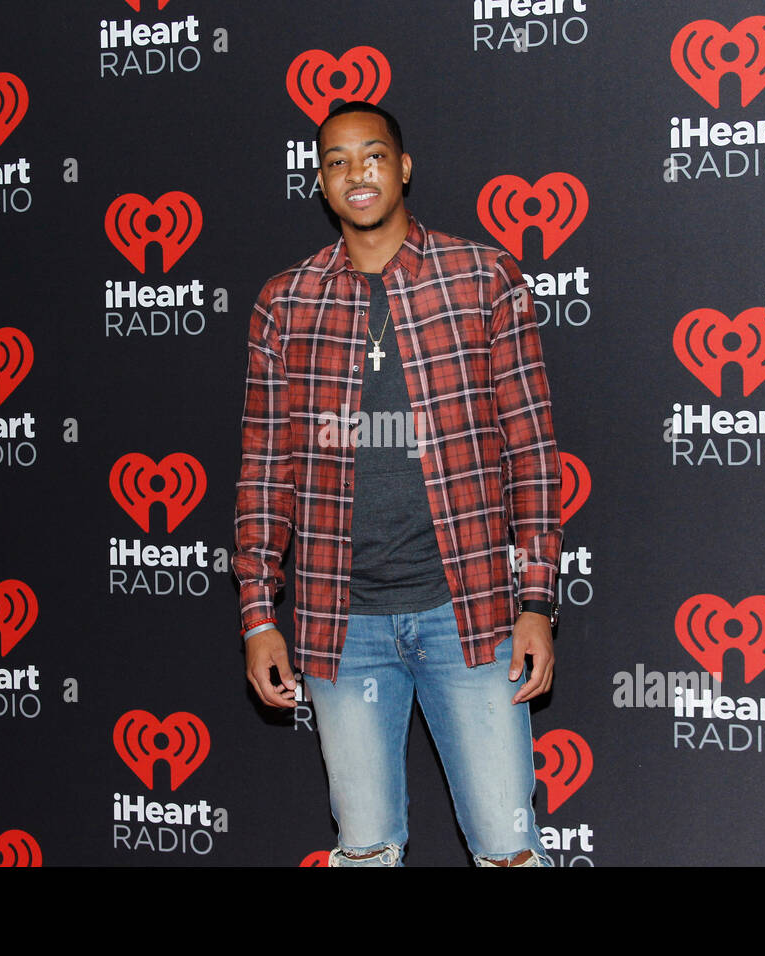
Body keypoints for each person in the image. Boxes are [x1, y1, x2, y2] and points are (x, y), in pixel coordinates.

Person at [233, 101, 562, 866]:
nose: (357, 173)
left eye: (372, 155)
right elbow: (263, 471)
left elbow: (533, 449)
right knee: (366, 851)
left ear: (403, 167)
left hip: (469, 614)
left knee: (511, 850)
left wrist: (538, 600)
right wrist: (257, 617)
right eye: (338, 160)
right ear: (321, 181)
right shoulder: (284, 304)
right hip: (340, 627)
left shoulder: (485, 278)